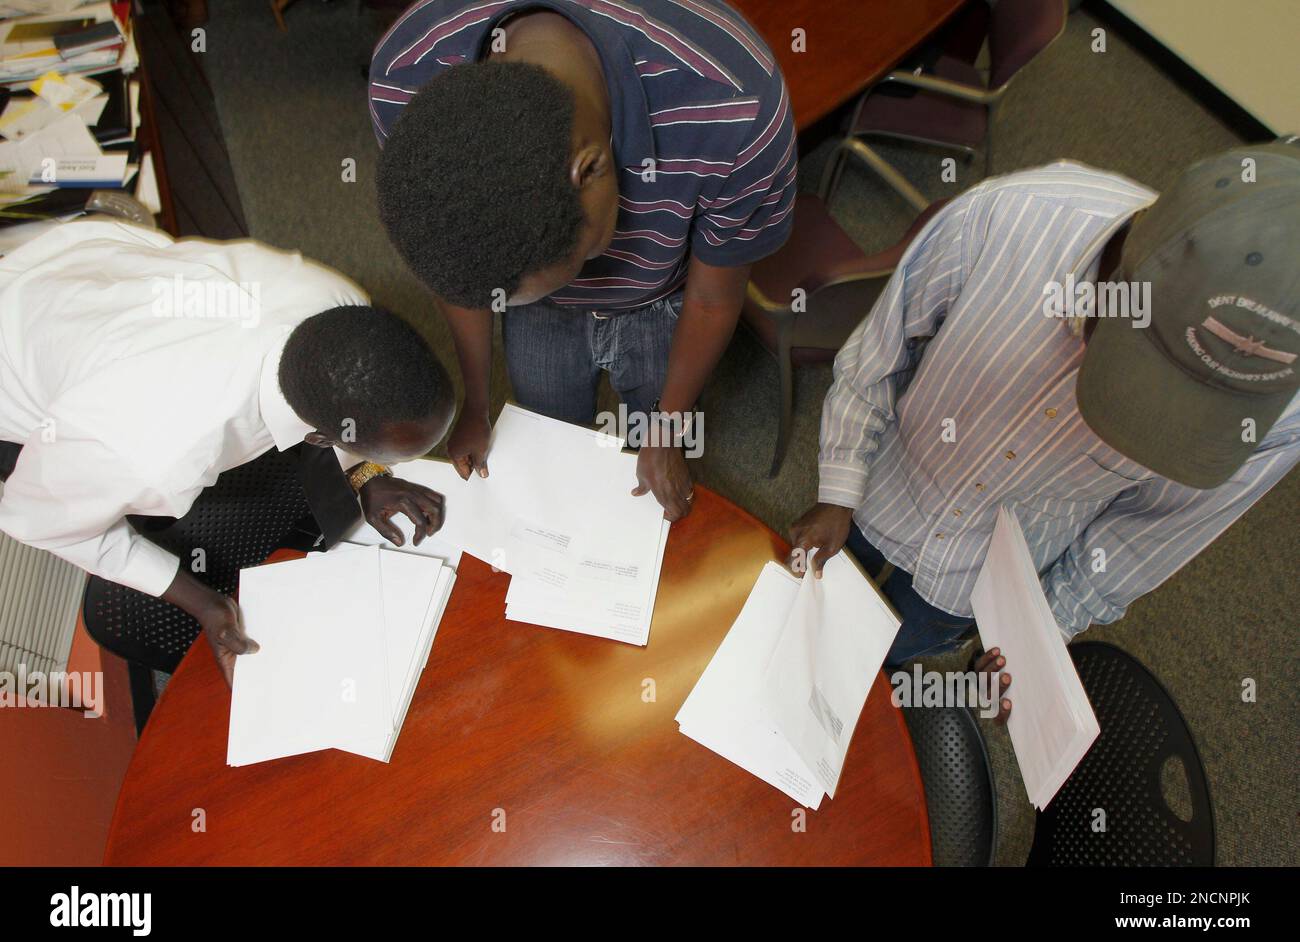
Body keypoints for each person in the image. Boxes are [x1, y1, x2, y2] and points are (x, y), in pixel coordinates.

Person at [789, 141, 1300, 719]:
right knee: (791, 645)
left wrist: (1039, 640)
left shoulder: (1282, 419)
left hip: (967, 590)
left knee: (869, 689)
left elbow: (1145, 535)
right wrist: (839, 481)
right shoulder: (1013, 216)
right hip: (873, 498)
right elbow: (880, 352)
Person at [370, 0, 796, 520]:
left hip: (666, 305)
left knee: (665, 452)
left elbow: (711, 298)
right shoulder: (406, 76)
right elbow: (457, 266)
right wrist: (477, 403)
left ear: (590, 167)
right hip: (542, 315)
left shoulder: (736, 103)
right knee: (553, 448)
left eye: (568, 270)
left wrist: (666, 429)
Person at [0, 219, 455, 683]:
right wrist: (206, 603)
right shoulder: (157, 453)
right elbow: (39, 521)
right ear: (318, 436)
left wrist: (368, 474)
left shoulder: (337, 301)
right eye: (389, 456)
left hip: (79, 270)